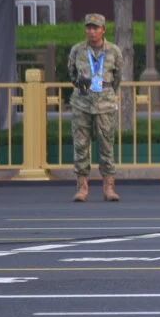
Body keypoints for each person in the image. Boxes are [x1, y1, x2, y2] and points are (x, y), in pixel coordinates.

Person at [68, 12, 123, 202]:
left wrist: (107, 92)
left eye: (95, 28)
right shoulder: (77, 50)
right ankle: (82, 187)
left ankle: (109, 187)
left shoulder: (114, 51)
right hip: (82, 102)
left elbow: (118, 77)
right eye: (89, 27)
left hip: (105, 103)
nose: (92, 32)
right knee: (81, 145)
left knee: (106, 145)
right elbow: (71, 73)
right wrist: (83, 84)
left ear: (103, 30)